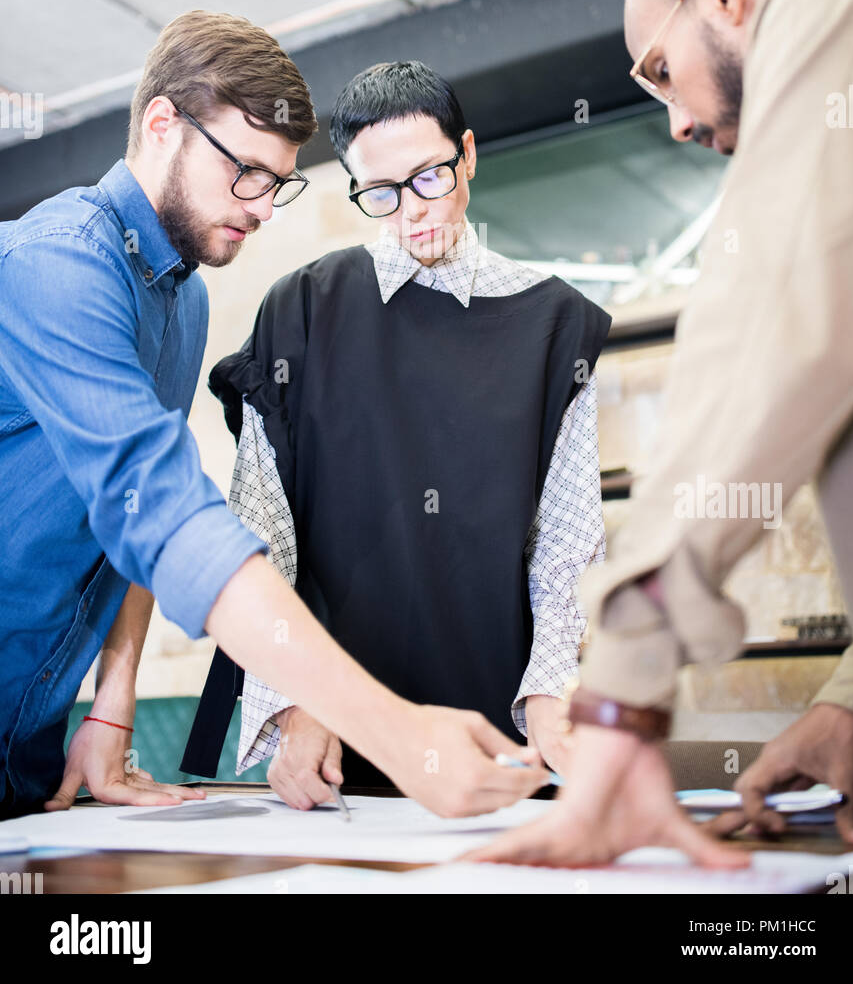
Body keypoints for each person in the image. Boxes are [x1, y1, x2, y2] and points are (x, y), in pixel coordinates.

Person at [0, 11, 545, 820]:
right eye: (246, 171)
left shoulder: (180, 299)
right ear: (162, 125)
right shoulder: (55, 265)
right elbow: (173, 522)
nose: (262, 206)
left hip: (30, 740)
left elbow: (137, 526)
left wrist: (112, 709)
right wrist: (395, 735)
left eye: (279, 182)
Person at [467, 0, 853, 867]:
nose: (677, 120)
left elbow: (775, 323)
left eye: (660, 72)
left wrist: (623, 683)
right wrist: (851, 703)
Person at [182, 61, 611, 808]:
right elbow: (261, 534)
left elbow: (565, 545)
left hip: (498, 742)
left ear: (467, 155)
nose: (411, 211)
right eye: (379, 193)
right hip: (337, 742)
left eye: (429, 178)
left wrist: (549, 691)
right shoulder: (303, 311)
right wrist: (293, 701)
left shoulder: (556, 327)